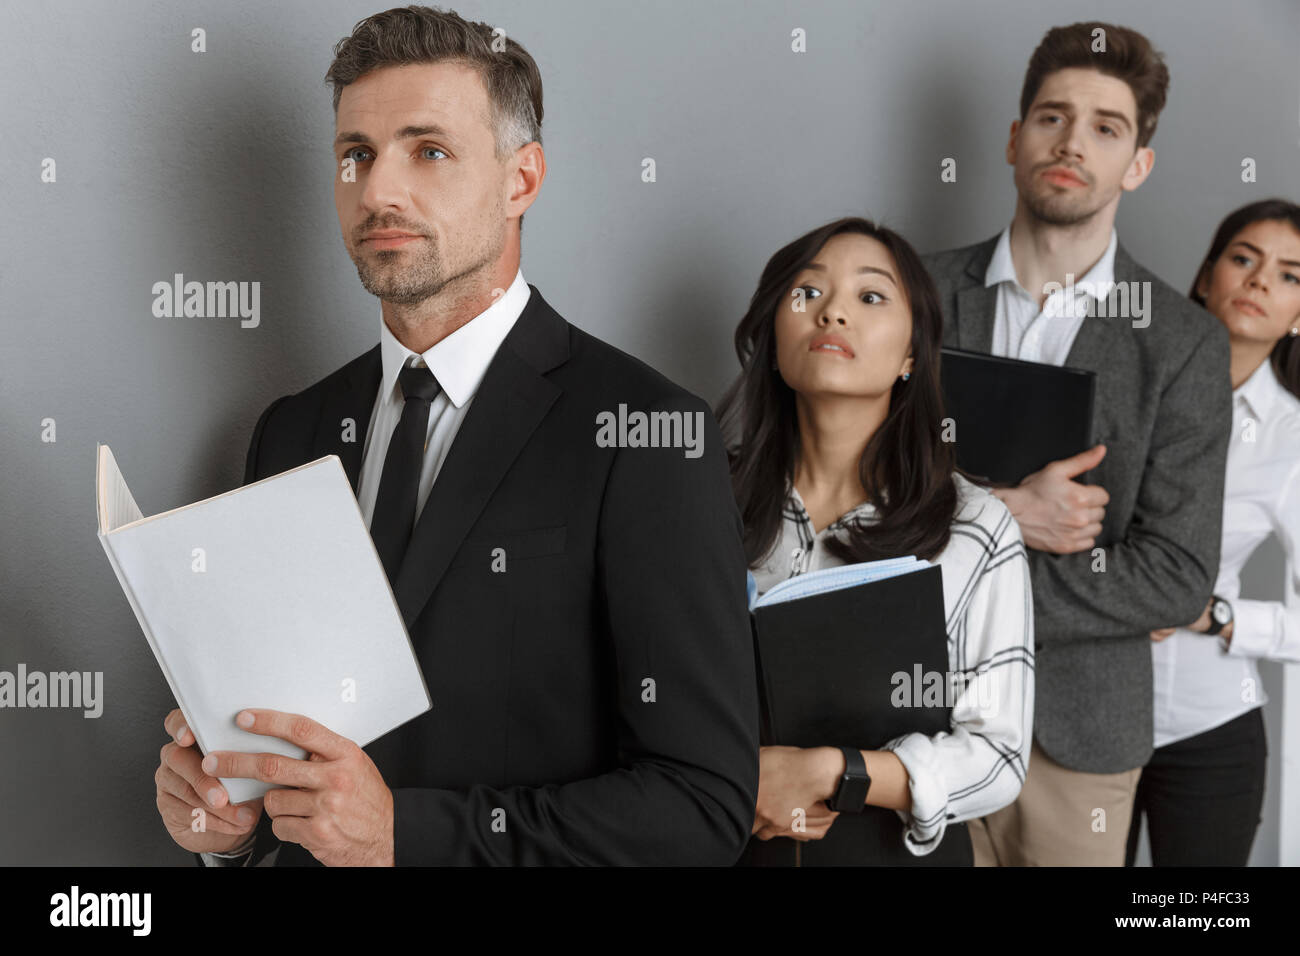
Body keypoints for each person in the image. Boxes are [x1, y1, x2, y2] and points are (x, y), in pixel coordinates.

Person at [152, 5, 760, 866]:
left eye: (428, 150)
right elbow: (293, 755)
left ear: (522, 180)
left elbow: (701, 807)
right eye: (354, 156)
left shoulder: (647, 434)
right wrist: (229, 824)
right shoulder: (290, 431)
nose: (378, 191)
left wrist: (410, 836)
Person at [921, 21, 1233, 865]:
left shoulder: (1185, 342)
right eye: (1053, 117)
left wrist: (966, 595)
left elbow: (1175, 574)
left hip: (1080, 740)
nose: (1073, 142)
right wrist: (999, 515)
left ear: (1138, 165)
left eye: (1107, 127)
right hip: (903, 720)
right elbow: (844, 484)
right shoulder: (912, 295)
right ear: (1015, 139)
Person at [718, 216, 1034, 864]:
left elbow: (998, 753)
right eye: (807, 293)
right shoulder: (697, 498)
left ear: (912, 354)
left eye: (870, 296)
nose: (832, 312)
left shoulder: (976, 526)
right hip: (724, 839)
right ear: (775, 333)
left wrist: (838, 772)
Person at [1130, 199, 1300, 866]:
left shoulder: (1291, 441)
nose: (1260, 280)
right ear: (1205, 277)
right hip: (1080, 712)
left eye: (1291, 275)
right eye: (1242, 258)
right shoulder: (1125, 388)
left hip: (1209, 731)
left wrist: (1221, 617)